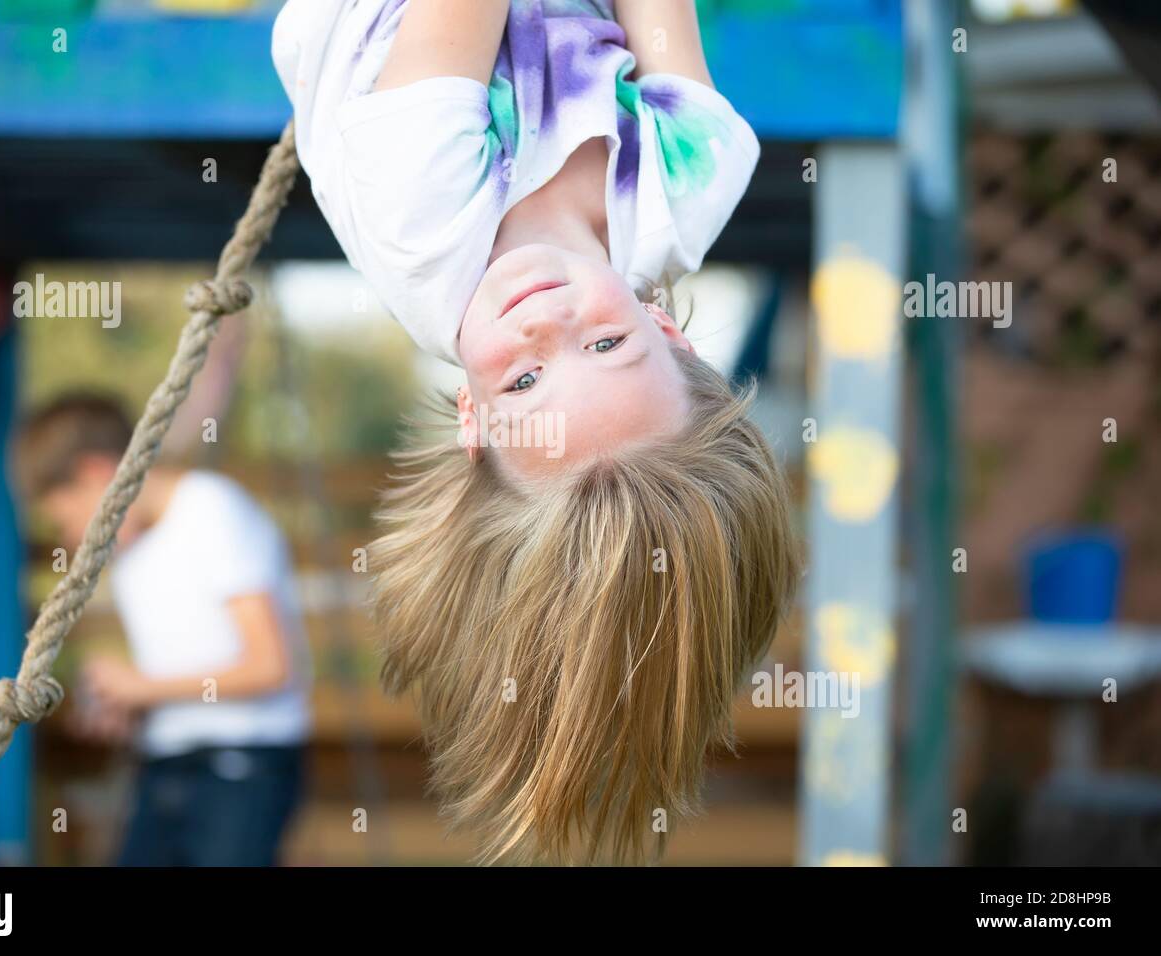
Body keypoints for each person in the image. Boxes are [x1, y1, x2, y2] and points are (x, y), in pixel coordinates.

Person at [272, 0, 800, 863]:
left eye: (524, 382)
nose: (549, 325)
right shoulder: (689, 183)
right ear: (669, 331)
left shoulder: (425, 215)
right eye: (606, 344)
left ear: (471, 418)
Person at [14, 393, 313, 866]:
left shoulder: (212, 511)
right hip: (167, 760)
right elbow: (177, 674)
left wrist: (141, 687)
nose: (73, 540)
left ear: (95, 474)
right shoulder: (131, 552)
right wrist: (127, 707)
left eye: (68, 519)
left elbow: (272, 666)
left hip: (244, 761)